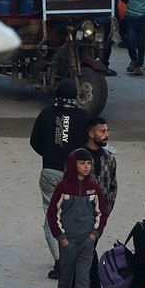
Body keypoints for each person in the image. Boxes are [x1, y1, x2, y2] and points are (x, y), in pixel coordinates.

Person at [31, 79, 90, 275]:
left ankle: (59, 262)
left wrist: (50, 154)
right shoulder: (83, 117)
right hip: (75, 177)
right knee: (74, 218)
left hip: (50, 173)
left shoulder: (46, 114)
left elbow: (34, 142)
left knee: (51, 219)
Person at [47, 147, 109, 288]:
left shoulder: (94, 189)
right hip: (68, 241)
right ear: (73, 165)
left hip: (86, 242)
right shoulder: (63, 187)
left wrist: (94, 235)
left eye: (88, 163)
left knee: (83, 278)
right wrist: (61, 237)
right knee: (66, 276)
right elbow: (52, 214)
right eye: (82, 163)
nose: (86, 167)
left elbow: (101, 214)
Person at [80, 117, 119, 288]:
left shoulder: (109, 158)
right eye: (102, 131)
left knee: (86, 254)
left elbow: (113, 185)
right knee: (86, 255)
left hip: (98, 219)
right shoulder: (78, 158)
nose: (106, 134)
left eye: (107, 130)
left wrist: (105, 212)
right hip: (78, 218)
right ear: (91, 133)